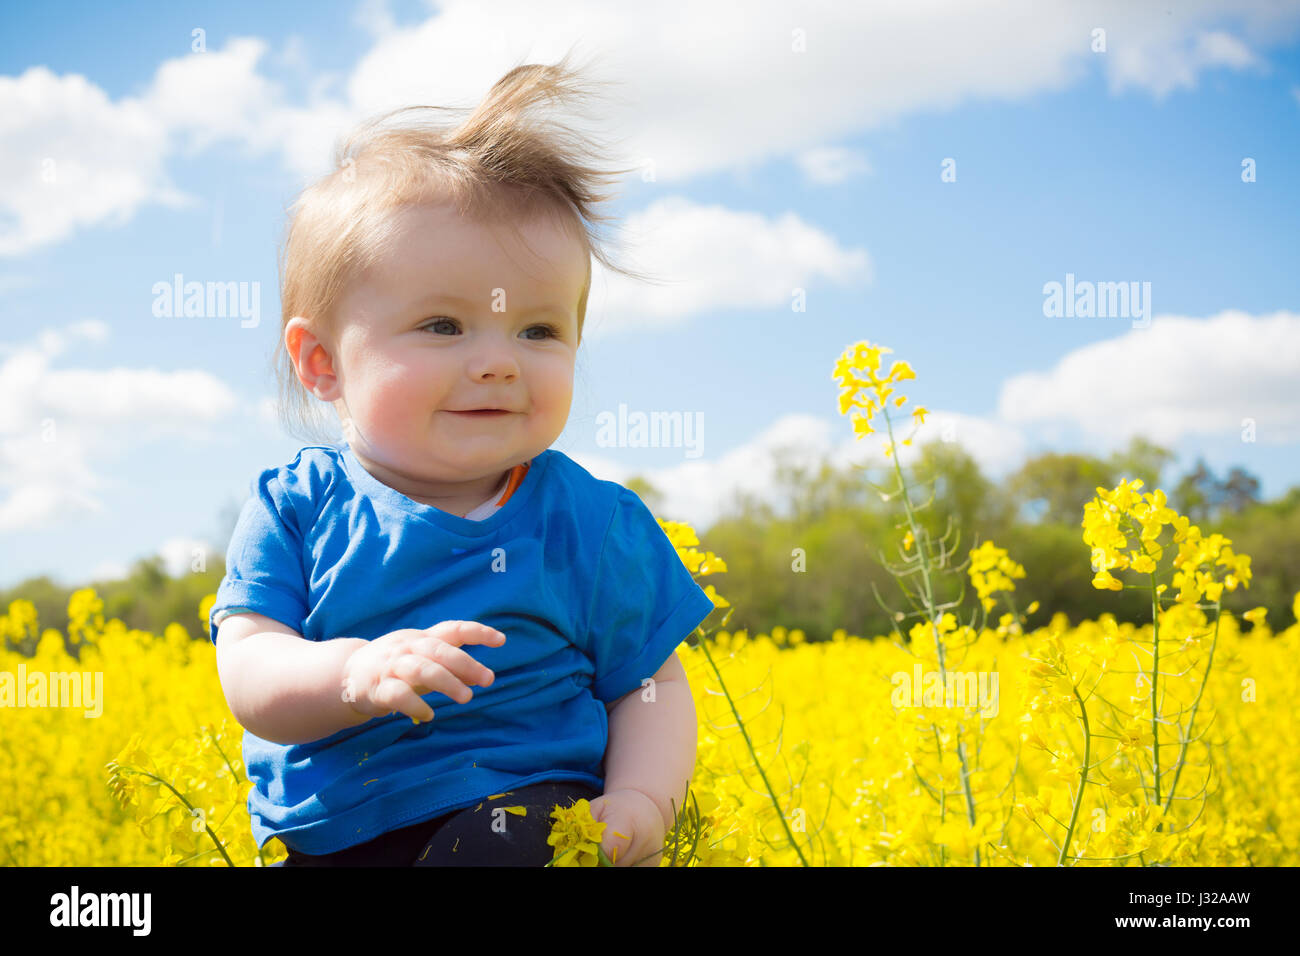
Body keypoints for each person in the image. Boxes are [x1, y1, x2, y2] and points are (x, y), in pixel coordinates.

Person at [208, 53, 717, 867]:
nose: (499, 362)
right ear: (322, 362)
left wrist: (643, 801)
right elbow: (251, 674)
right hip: (333, 838)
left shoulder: (592, 524)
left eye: (538, 331)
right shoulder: (295, 508)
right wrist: (353, 673)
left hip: (528, 818)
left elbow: (649, 686)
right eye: (444, 326)